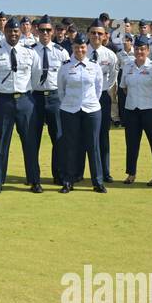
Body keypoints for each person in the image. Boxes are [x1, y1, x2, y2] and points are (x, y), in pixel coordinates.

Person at [0, 17, 37, 193]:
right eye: (10, 31)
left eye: (16, 31)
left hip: (25, 100)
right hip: (4, 101)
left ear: (20, 32)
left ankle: (34, 179)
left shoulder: (30, 53)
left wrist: (27, 95)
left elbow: (35, 77)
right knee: (1, 142)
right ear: (4, 32)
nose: (13, 34)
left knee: (30, 141)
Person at [56, 33, 106, 193]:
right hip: (70, 110)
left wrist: (89, 102)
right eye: (77, 47)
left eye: (82, 47)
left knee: (93, 146)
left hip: (91, 109)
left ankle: (97, 181)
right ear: (72, 48)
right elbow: (61, 90)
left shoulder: (94, 66)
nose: (80, 50)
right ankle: (68, 181)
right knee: (70, 146)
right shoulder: (65, 67)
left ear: (87, 48)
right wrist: (71, 103)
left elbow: (98, 88)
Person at [120, 36, 152, 186]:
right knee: (132, 143)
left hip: (151, 110)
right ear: (133, 50)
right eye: (137, 49)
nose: (139, 52)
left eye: (142, 49)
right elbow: (124, 87)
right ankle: (131, 173)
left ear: (147, 50)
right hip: (132, 110)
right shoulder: (127, 66)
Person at [31, 15, 68, 185]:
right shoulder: (30, 51)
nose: (45, 33)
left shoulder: (61, 52)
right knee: (33, 139)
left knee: (59, 138)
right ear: (37, 31)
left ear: (53, 32)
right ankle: (33, 176)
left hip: (55, 98)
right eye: (42, 30)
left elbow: (68, 77)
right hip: (35, 98)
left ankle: (59, 175)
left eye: (48, 30)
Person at [87, 24, 119, 183]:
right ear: (88, 34)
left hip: (102, 99)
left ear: (105, 35)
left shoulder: (110, 55)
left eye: (99, 33)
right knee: (82, 136)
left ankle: (105, 171)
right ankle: (79, 171)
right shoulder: (80, 51)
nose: (96, 36)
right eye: (93, 33)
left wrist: (104, 90)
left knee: (103, 136)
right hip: (84, 98)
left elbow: (113, 76)